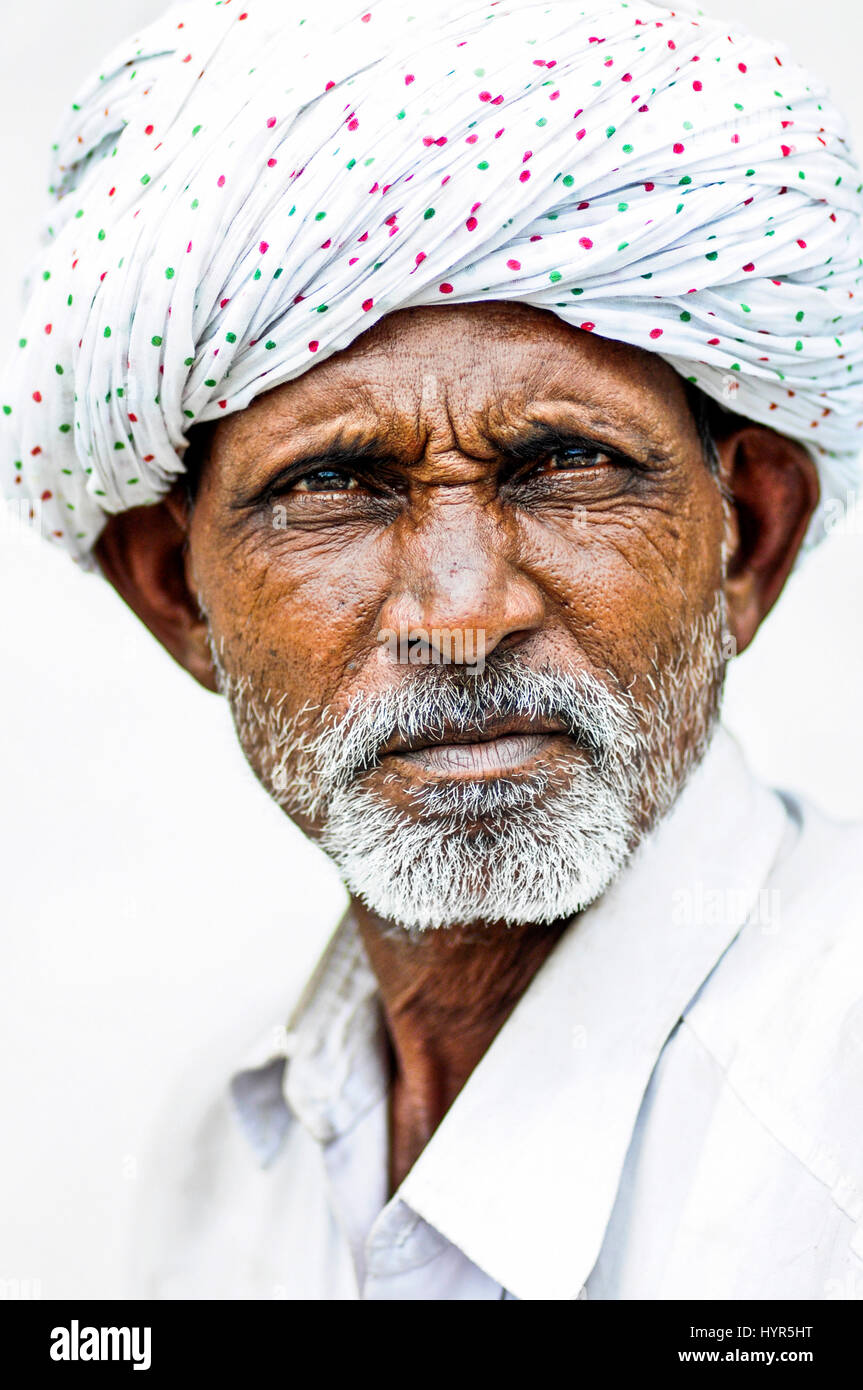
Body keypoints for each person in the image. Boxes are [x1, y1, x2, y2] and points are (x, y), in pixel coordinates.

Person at [4, 0, 863, 1300]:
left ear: (747, 540)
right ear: (179, 595)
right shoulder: (223, 1168)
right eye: (337, 483)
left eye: (566, 463)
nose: (462, 614)